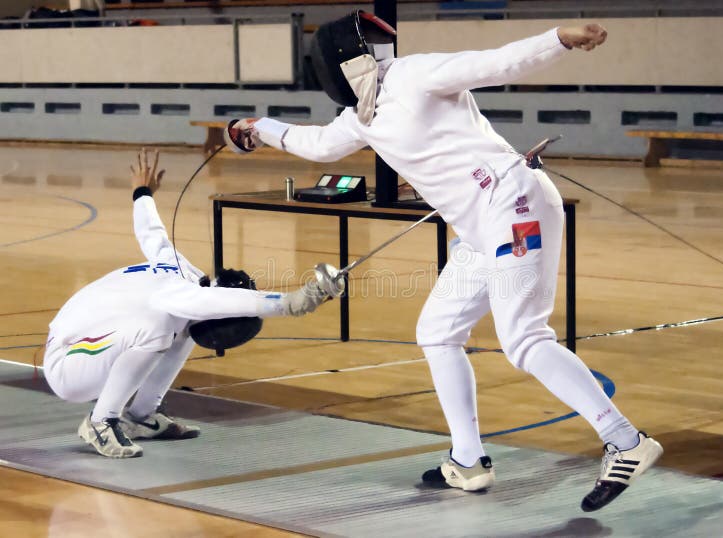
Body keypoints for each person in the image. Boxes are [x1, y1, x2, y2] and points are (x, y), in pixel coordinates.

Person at [224, 12, 662, 512]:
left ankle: (626, 442)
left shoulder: (415, 75)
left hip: (514, 207)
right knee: (437, 330)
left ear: (338, 64)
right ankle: (469, 461)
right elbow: (318, 144)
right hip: (480, 234)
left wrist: (558, 39)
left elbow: (494, 63)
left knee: (523, 338)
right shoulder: (363, 116)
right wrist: (258, 128)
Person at [43, 149, 341, 459]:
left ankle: (141, 417)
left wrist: (142, 192)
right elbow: (236, 302)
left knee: (178, 326)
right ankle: (101, 422)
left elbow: (151, 232)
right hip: (67, 365)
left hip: (85, 345)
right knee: (157, 328)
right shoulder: (185, 295)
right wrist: (304, 298)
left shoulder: (183, 270)